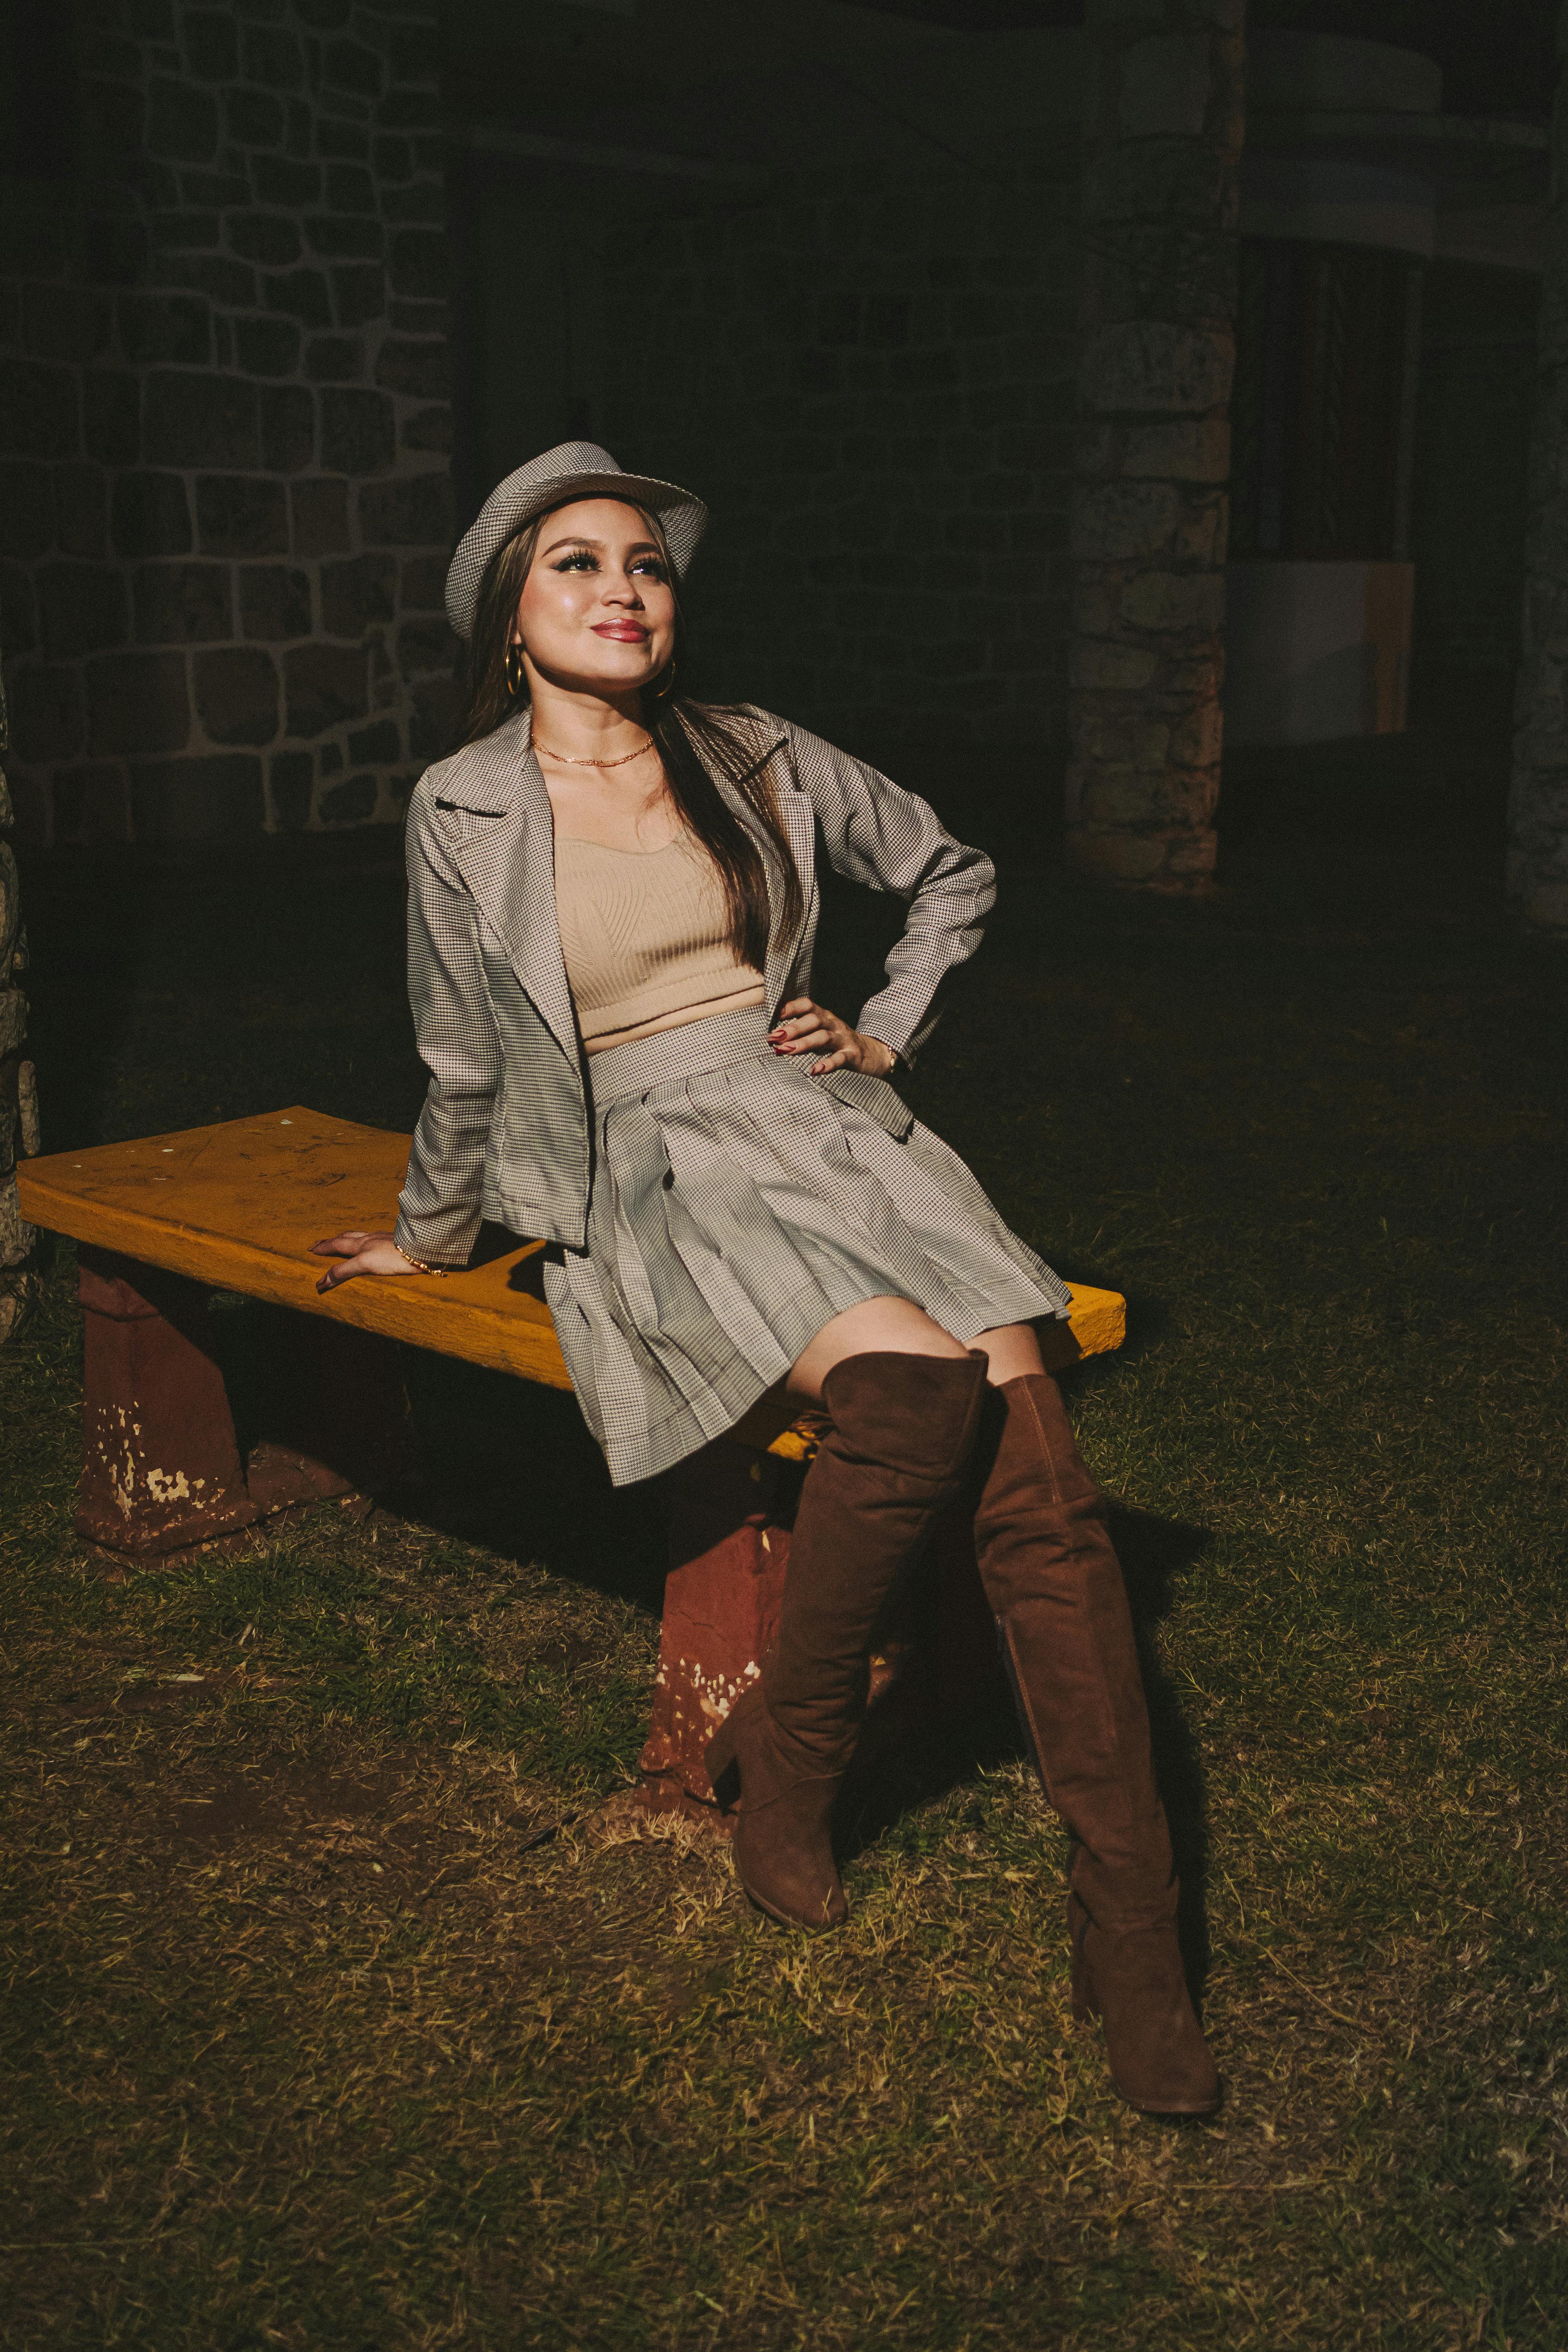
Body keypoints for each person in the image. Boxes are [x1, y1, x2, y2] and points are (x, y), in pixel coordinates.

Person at [312, 443, 1220, 2118]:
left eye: (644, 564)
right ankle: (797, 1755)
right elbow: (458, 1061)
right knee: (919, 1388)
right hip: (650, 1166)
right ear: (510, 618)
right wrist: (434, 1235)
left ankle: (1128, 1935)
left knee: (1045, 1492)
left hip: (824, 1127)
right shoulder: (467, 806)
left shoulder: (756, 754)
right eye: (575, 564)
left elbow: (950, 871)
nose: (621, 588)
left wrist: (882, 1024)